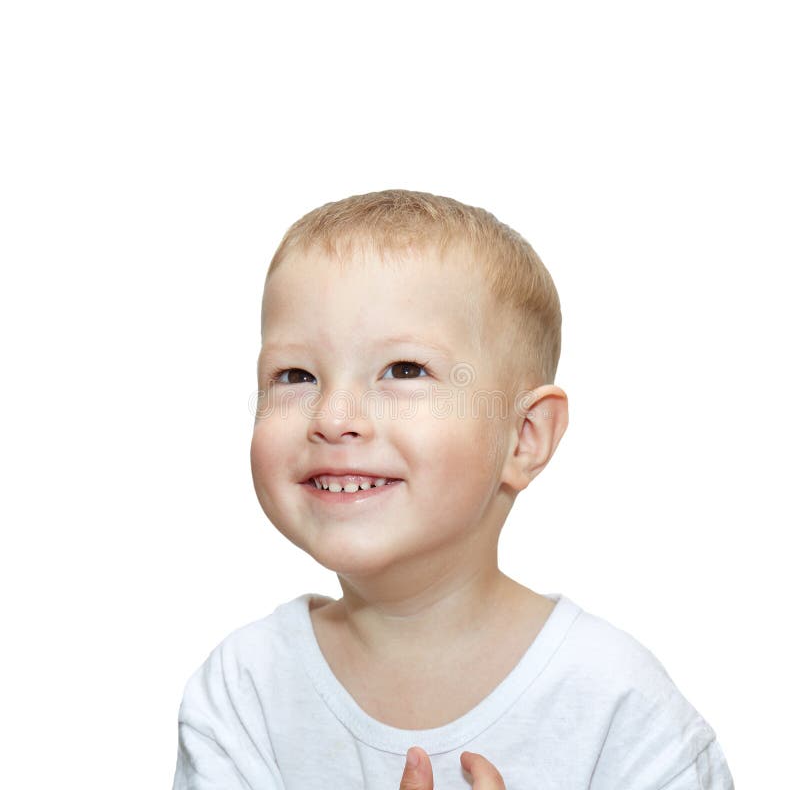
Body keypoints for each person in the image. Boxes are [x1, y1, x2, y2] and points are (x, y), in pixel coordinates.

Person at [171, 190, 734, 789]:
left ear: (523, 437)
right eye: (295, 375)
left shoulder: (618, 705)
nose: (333, 417)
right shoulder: (243, 692)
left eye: (405, 371)